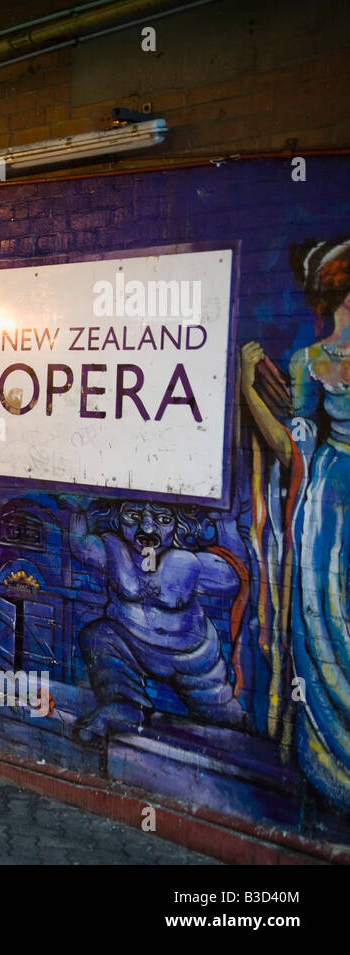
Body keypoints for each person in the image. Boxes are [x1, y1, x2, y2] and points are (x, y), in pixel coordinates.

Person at [239, 236, 350, 810]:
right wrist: (245, 383)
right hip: (327, 504)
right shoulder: (309, 361)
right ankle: (330, 767)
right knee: (324, 624)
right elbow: (292, 445)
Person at [64, 497, 245, 740]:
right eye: (134, 517)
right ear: (118, 518)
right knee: (96, 636)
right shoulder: (113, 549)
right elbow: (81, 546)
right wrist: (77, 509)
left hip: (194, 661)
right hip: (130, 646)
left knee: (226, 724)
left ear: (178, 525)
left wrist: (227, 523)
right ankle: (124, 704)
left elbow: (234, 576)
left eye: (163, 519)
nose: (147, 529)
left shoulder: (191, 562)